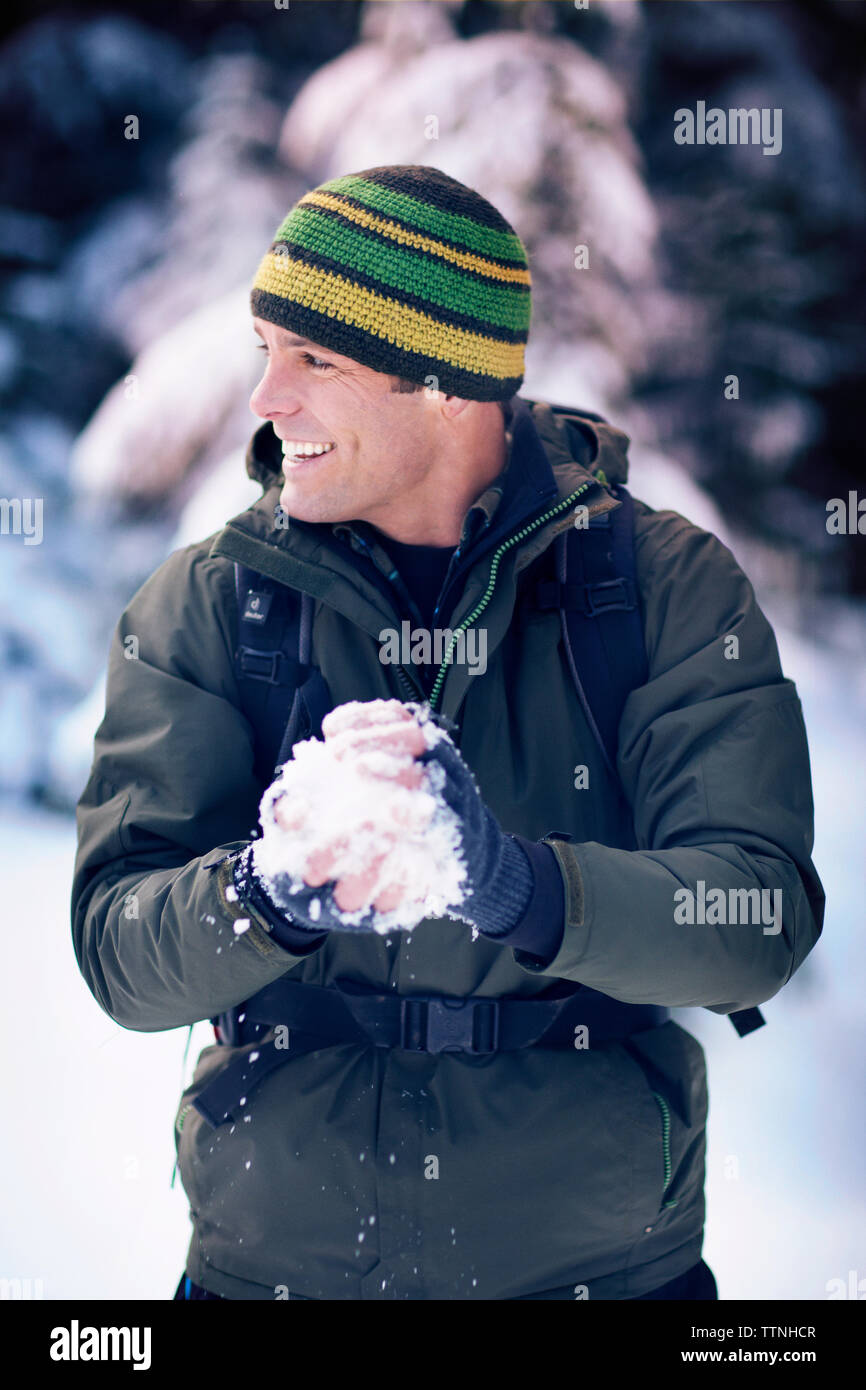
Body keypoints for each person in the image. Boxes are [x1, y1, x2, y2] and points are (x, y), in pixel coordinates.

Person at [71, 164, 825, 1301]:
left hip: (598, 1278)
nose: (266, 399)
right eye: (263, 349)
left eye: (315, 359)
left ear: (445, 382)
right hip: (269, 1278)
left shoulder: (660, 588)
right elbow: (120, 951)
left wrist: (514, 886)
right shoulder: (215, 601)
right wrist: (269, 893)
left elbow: (754, 915)